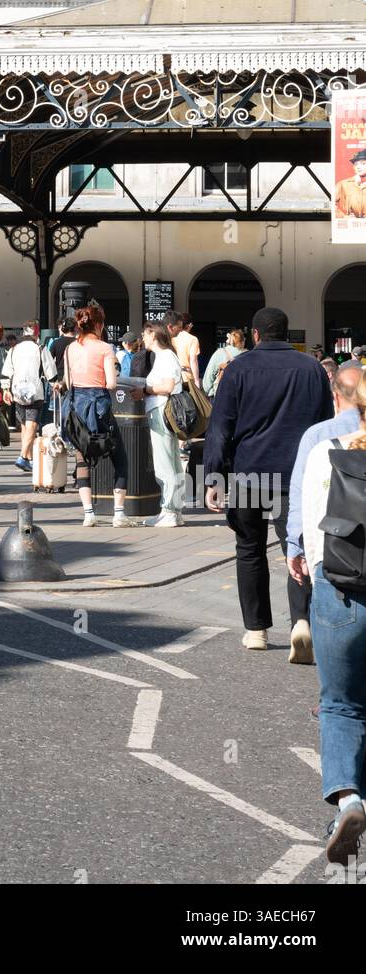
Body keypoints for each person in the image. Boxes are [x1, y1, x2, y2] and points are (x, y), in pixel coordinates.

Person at [203, 306, 334, 653]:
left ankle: (256, 629)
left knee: (249, 549)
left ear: (255, 334)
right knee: (299, 548)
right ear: (287, 334)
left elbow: (220, 427)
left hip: (249, 474)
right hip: (296, 476)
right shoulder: (312, 369)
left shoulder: (239, 369)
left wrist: (214, 477)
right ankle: (301, 622)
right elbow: (325, 423)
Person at [287, 368, 366, 864]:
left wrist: (314, 576)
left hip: (340, 591)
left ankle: (350, 800)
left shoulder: (323, 450)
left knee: (340, 704)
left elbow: (314, 528)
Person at [285, 361, 363, 666]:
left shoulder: (318, 438)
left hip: (331, 556)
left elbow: (300, 498)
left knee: (337, 692)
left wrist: (296, 545)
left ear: (335, 396)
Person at [61, 305, 134, 528]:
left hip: (76, 409)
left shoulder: (70, 349)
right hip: (99, 408)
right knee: (119, 459)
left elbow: (66, 382)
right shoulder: (105, 348)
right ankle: (119, 514)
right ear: (100, 324)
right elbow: (111, 383)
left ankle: (88, 514)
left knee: (82, 460)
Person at [137, 322, 185, 527]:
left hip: (161, 410)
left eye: (145, 334)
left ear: (153, 335)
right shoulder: (168, 356)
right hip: (164, 411)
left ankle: (168, 510)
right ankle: (174, 510)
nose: (143, 338)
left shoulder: (164, 356)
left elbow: (167, 386)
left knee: (164, 461)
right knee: (172, 460)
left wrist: (145, 390)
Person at [1, 323, 57, 472]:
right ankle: (22, 456)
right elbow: (50, 369)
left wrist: (6, 389)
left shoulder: (14, 349)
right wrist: (54, 384)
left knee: (25, 426)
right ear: (37, 334)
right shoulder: (40, 348)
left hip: (17, 392)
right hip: (35, 391)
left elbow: (7, 370)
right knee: (32, 425)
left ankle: (29, 458)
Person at [203, 328, 247, 399]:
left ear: (228, 341)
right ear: (243, 341)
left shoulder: (220, 353)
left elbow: (207, 381)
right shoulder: (248, 355)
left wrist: (209, 391)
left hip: (221, 396)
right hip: (243, 398)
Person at [164, 310, 200, 388]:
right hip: (187, 377)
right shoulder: (193, 339)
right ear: (190, 325)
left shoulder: (171, 338)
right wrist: (197, 380)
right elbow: (193, 361)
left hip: (172, 377)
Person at [334, 146, 366, 219]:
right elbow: (332, 203)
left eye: (363, 163)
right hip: (349, 227)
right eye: (356, 164)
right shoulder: (343, 184)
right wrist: (343, 216)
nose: (358, 167)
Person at [49, 317, 77, 383]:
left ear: (63, 328)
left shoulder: (56, 343)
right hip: (75, 378)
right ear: (75, 328)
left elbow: (49, 361)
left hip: (60, 377)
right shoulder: (78, 343)